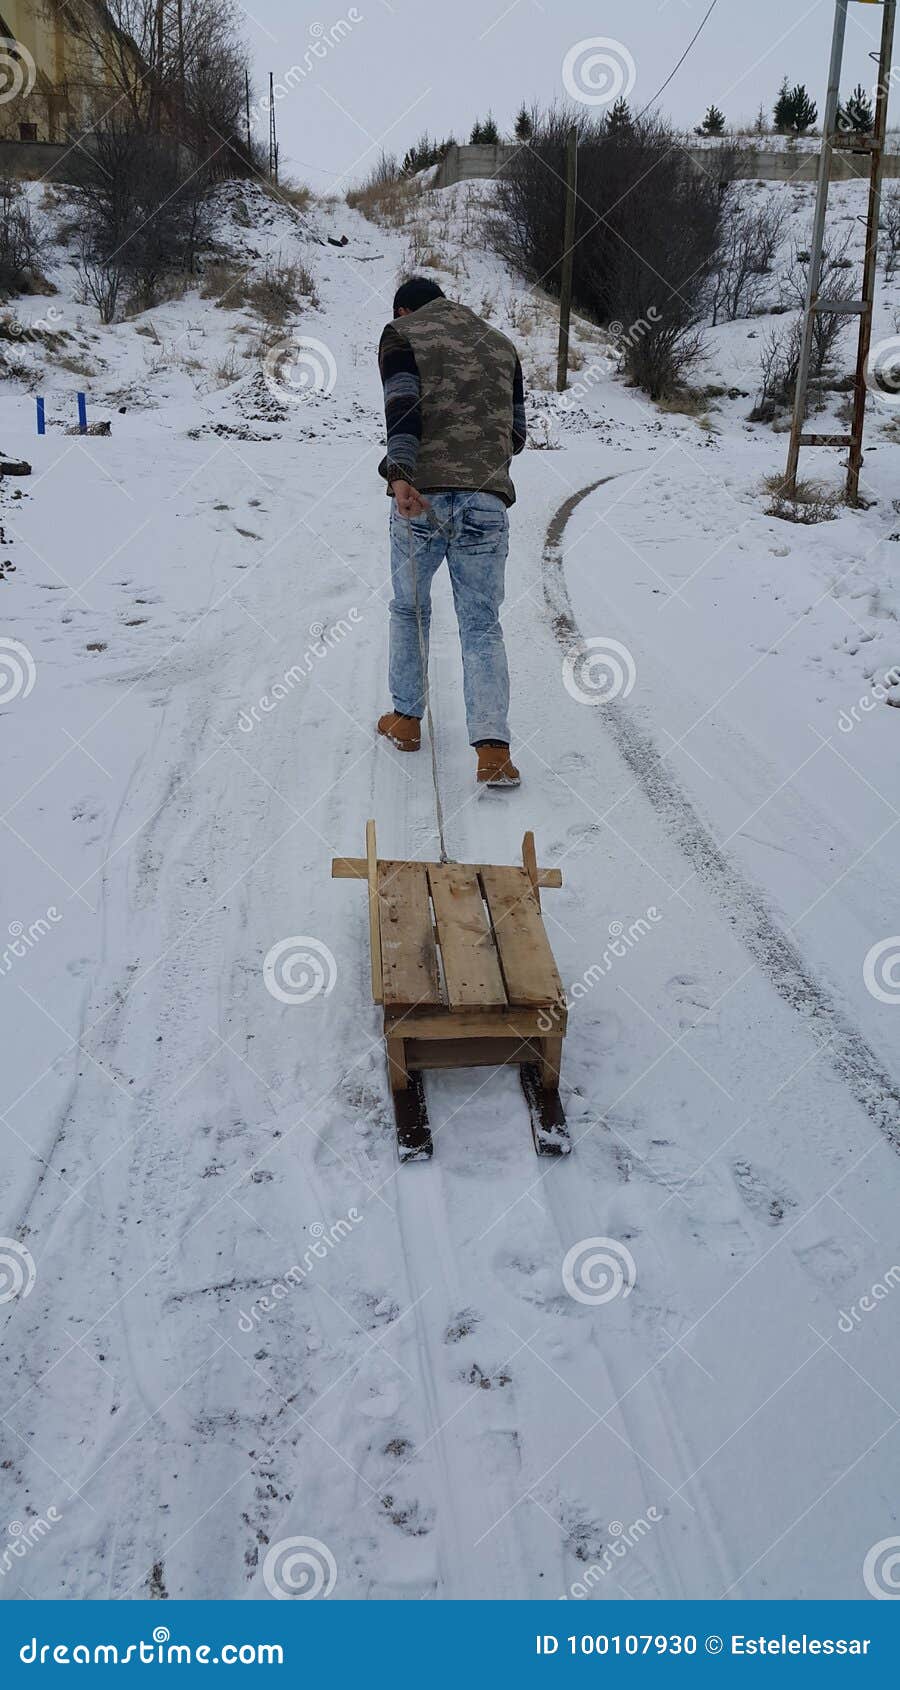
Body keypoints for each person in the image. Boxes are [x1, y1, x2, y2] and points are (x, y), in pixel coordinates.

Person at [376, 276, 526, 787]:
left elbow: (403, 407)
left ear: (403, 309)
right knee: (482, 622)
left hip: (421, 496)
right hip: (487, 500)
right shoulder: (502, 345)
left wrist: (400, 475)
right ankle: (493, 753)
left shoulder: (403, 335)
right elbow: (518, 433)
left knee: (410, 608)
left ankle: (406, 721)